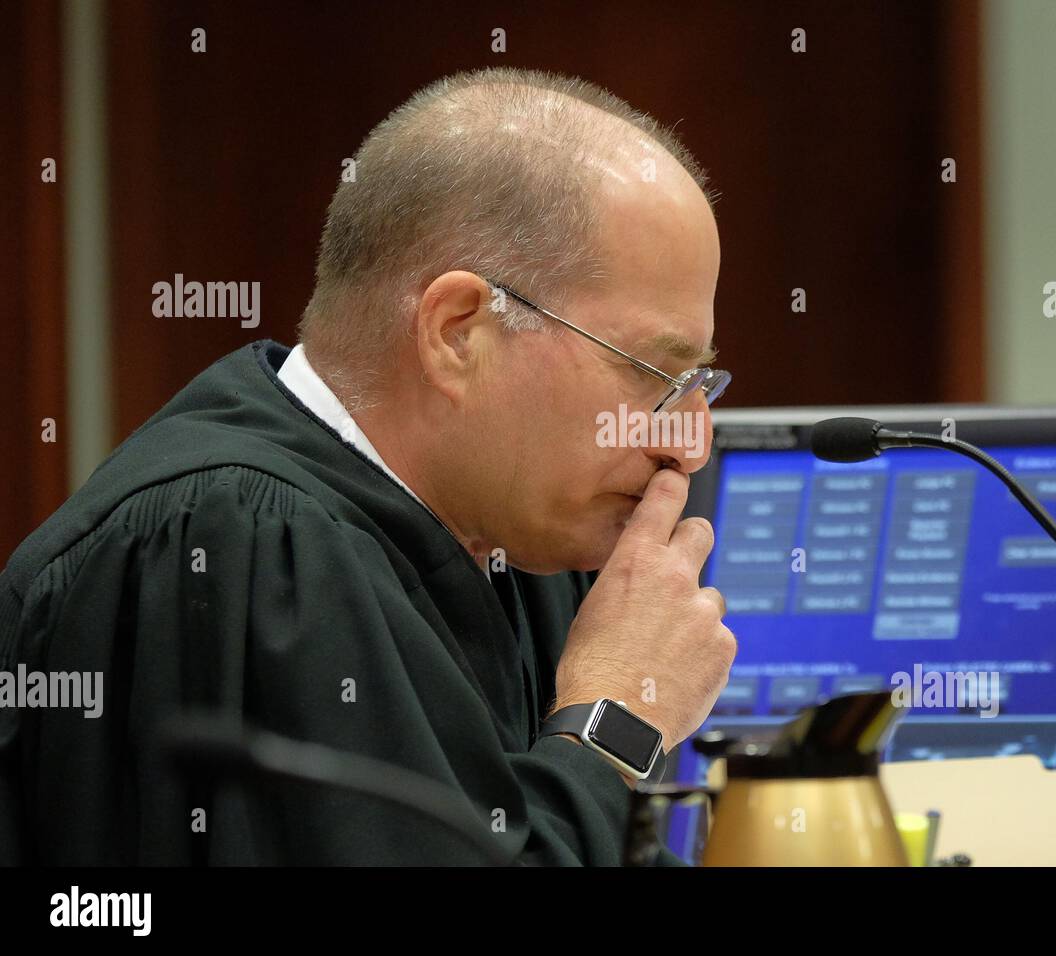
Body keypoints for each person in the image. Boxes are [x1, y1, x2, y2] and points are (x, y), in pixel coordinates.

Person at [0, 67, 736, 865]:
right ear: (459, 333)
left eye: (698, 382)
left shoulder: (528, 532)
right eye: (651, 374)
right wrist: (615, 718)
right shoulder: (229, 550)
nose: (688, 442)